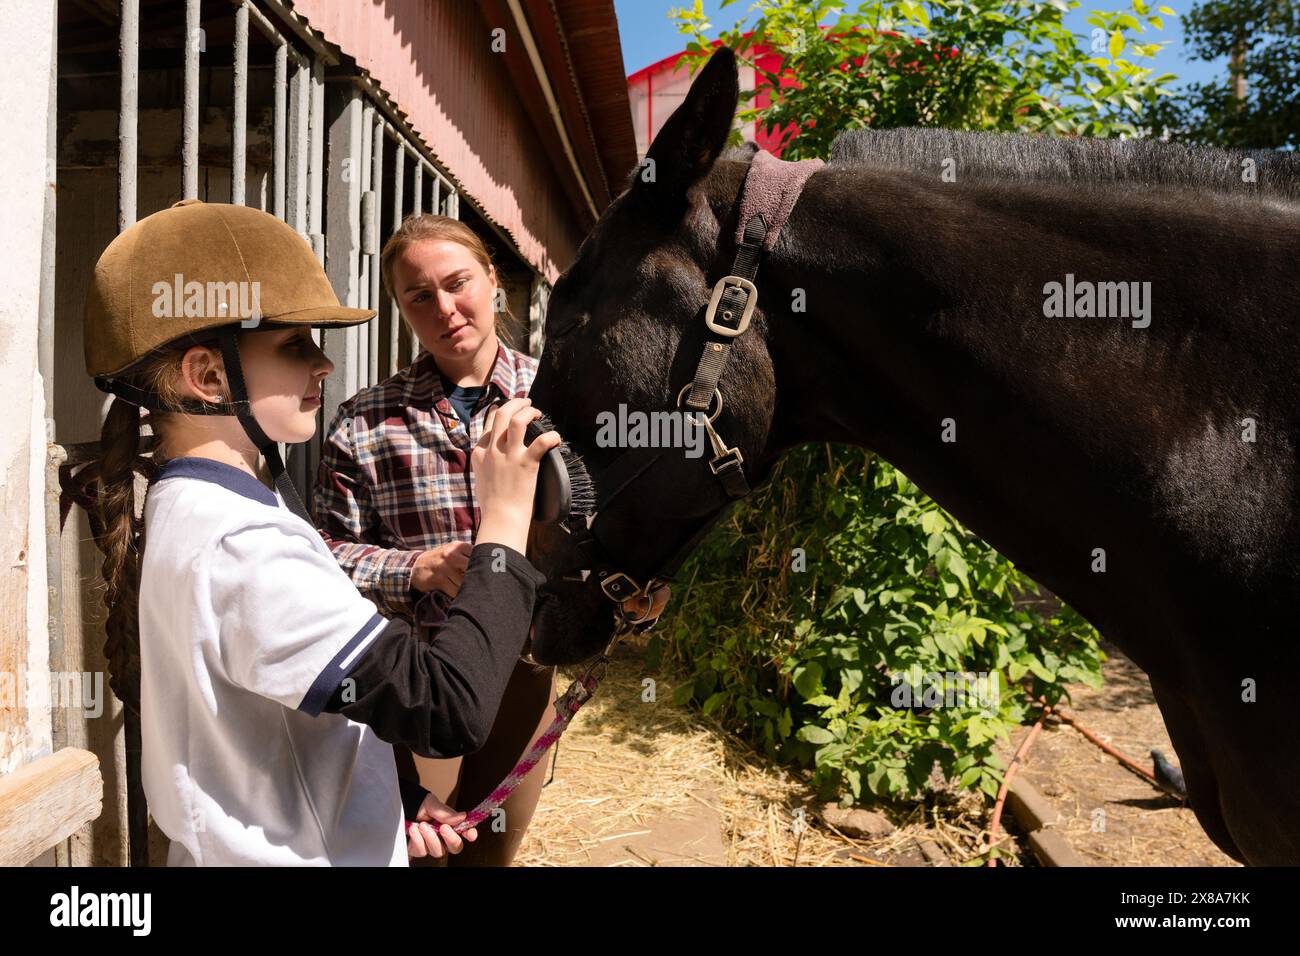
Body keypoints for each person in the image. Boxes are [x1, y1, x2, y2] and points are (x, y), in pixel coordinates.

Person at [82, 198, 560, 865]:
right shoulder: (242, 544)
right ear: (209, 376)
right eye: (295, 345)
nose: (324, 365)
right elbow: (446, 707)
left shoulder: (200, 505)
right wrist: (501, 520)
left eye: (457, 284)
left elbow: (295, 714)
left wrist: (392, 790)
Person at [312, 214, 554, 866]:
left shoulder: (560, 396)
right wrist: (412, 568)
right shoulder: (366, 421)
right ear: (402, 308)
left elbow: (605, 527)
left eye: (458, 282)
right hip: (418, 681)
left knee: (489, 856)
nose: (445, 308)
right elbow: (324, 556)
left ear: (493, 279)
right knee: (419, 855)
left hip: (523, 677)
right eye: (420, 295)